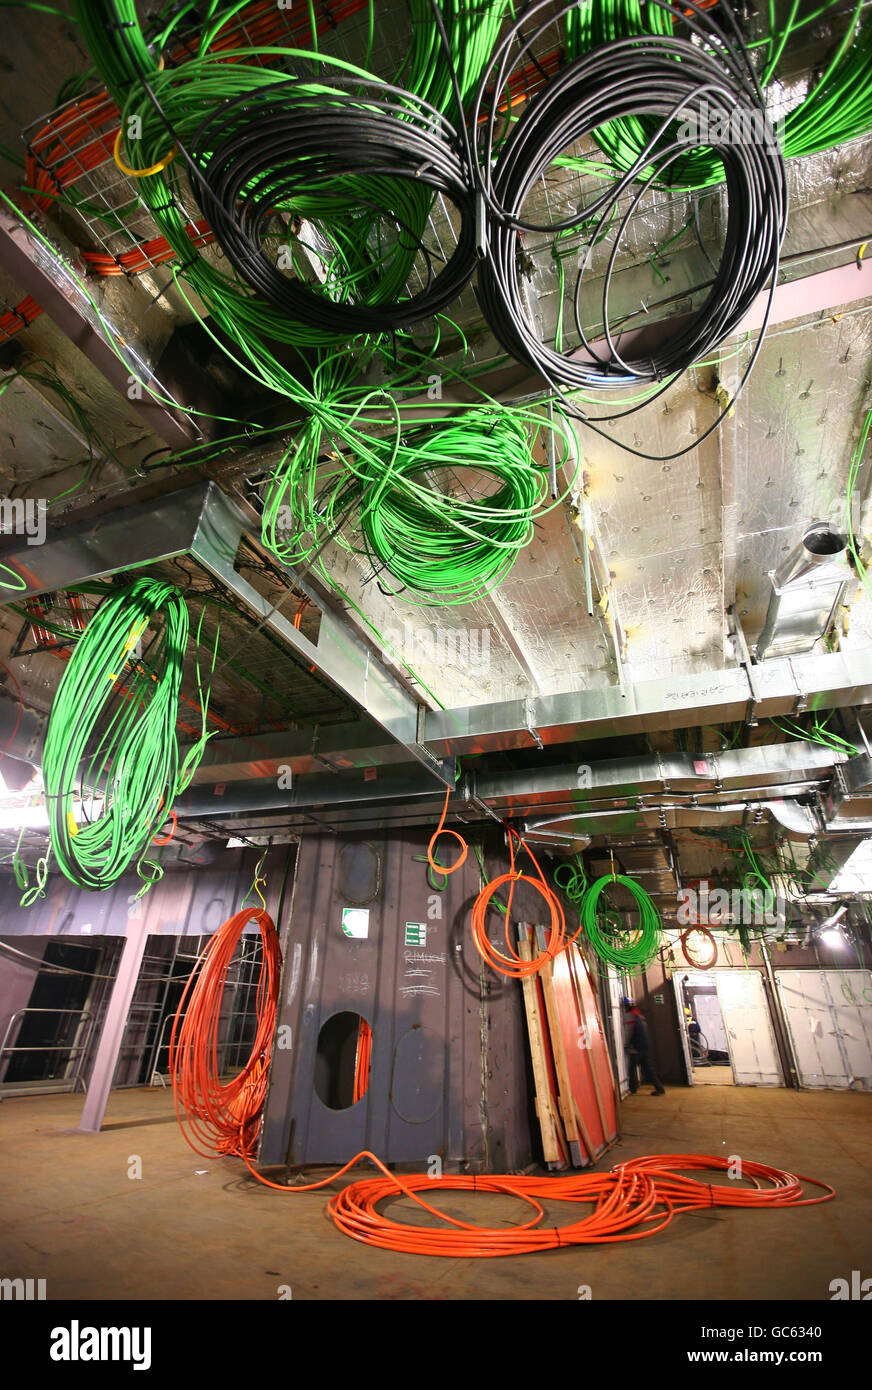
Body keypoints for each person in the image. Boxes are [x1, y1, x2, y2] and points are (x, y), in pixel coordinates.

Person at [621, 997, 666, 1095]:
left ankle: (633, 1089)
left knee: (632, 1068)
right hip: (644, 1046)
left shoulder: (630, 1016)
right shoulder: (639, 1015)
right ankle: (659, 1088)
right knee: (648, 1069)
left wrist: (626, 1044)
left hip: (636, 1047)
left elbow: (629, 1031)